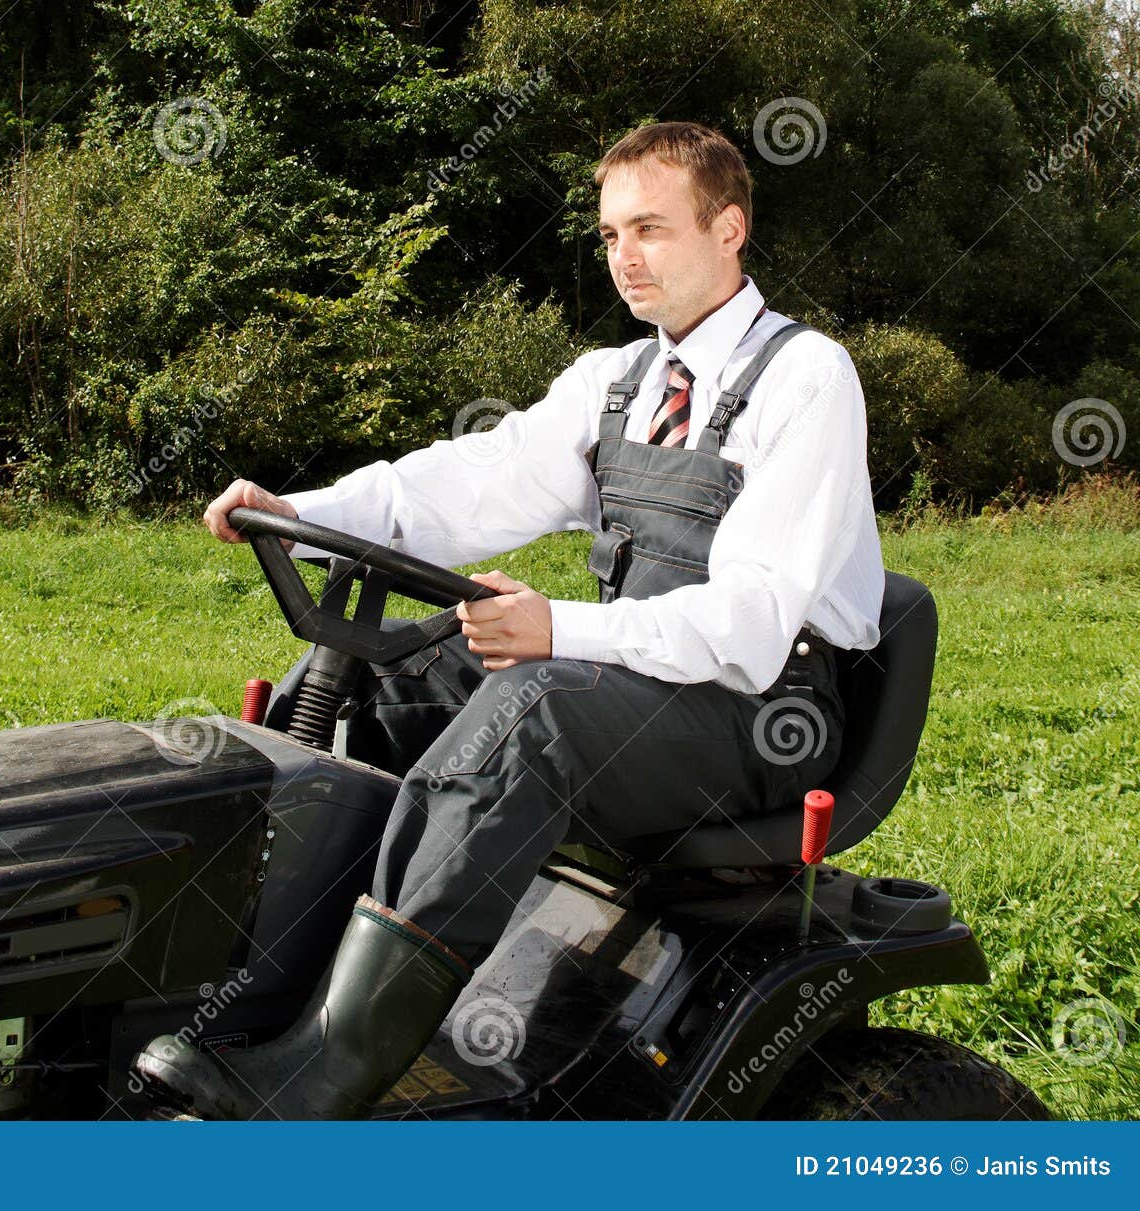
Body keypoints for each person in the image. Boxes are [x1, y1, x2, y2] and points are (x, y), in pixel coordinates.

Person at [130, 120, 883, 1120]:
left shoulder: (805, 379)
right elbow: (461, 487)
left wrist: (556, 629)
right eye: (612, 232)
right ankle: (263, 1005)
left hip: (758, 710)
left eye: (650, 229)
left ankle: (325, 1077)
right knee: (387, 686)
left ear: (728, 228)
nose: (623, 255)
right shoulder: (614, 383)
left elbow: (747, 625)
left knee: (530, 710)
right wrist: (304, 513)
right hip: (633, 681)